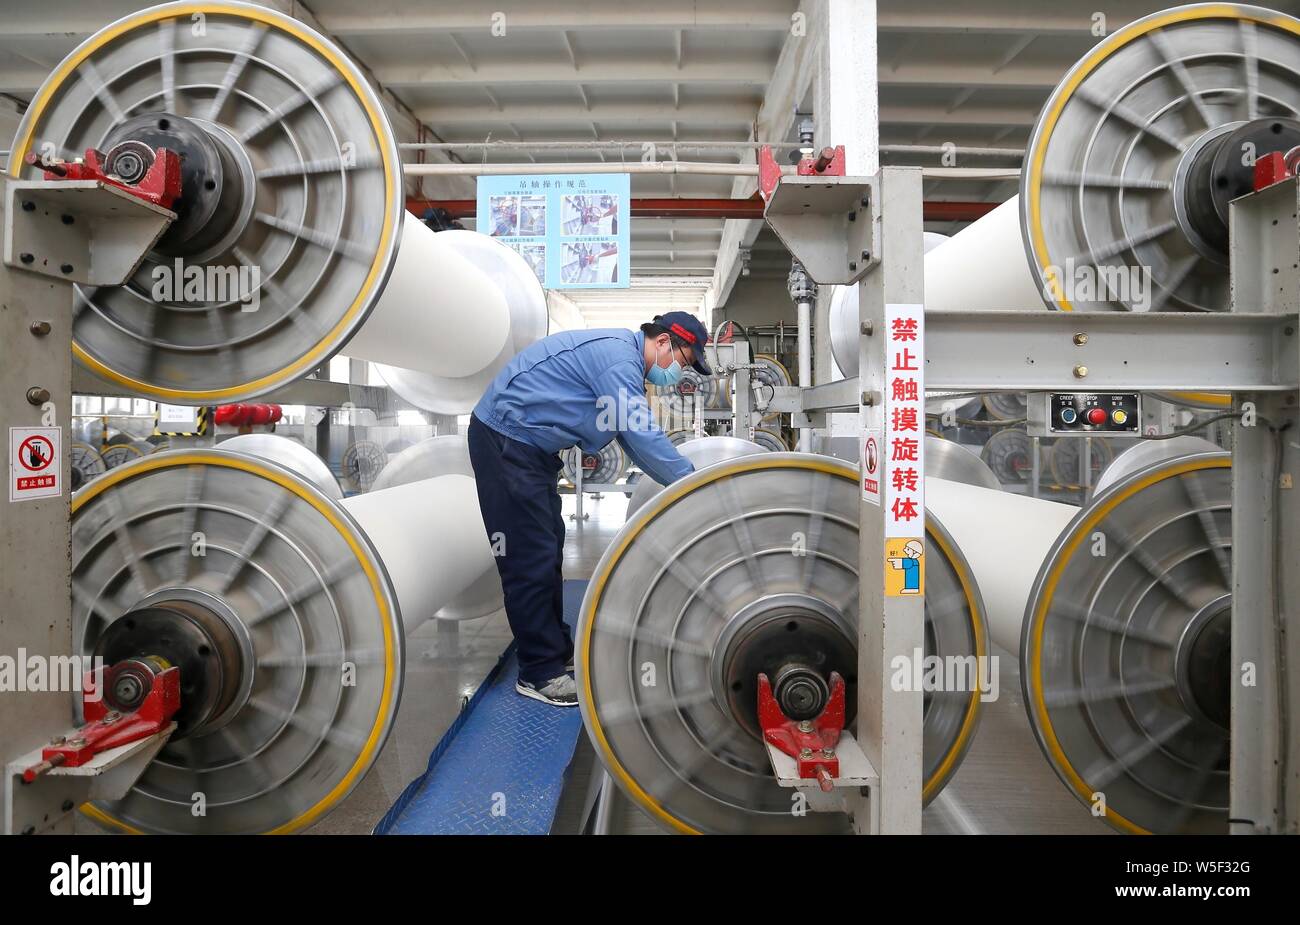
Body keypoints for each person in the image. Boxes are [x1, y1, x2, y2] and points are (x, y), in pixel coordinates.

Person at [468, 311, 712, 706]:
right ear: (664, 342)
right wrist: (694, 484)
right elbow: (639, 430)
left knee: (548, 546)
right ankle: (539, 672)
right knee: (528, 555)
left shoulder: (624, 361)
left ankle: (552, 644)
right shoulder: (618, 360)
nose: (678, 372)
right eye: (683, 361)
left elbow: (630, 437)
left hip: (529, 450)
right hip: (506, 443)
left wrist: (679, 483)